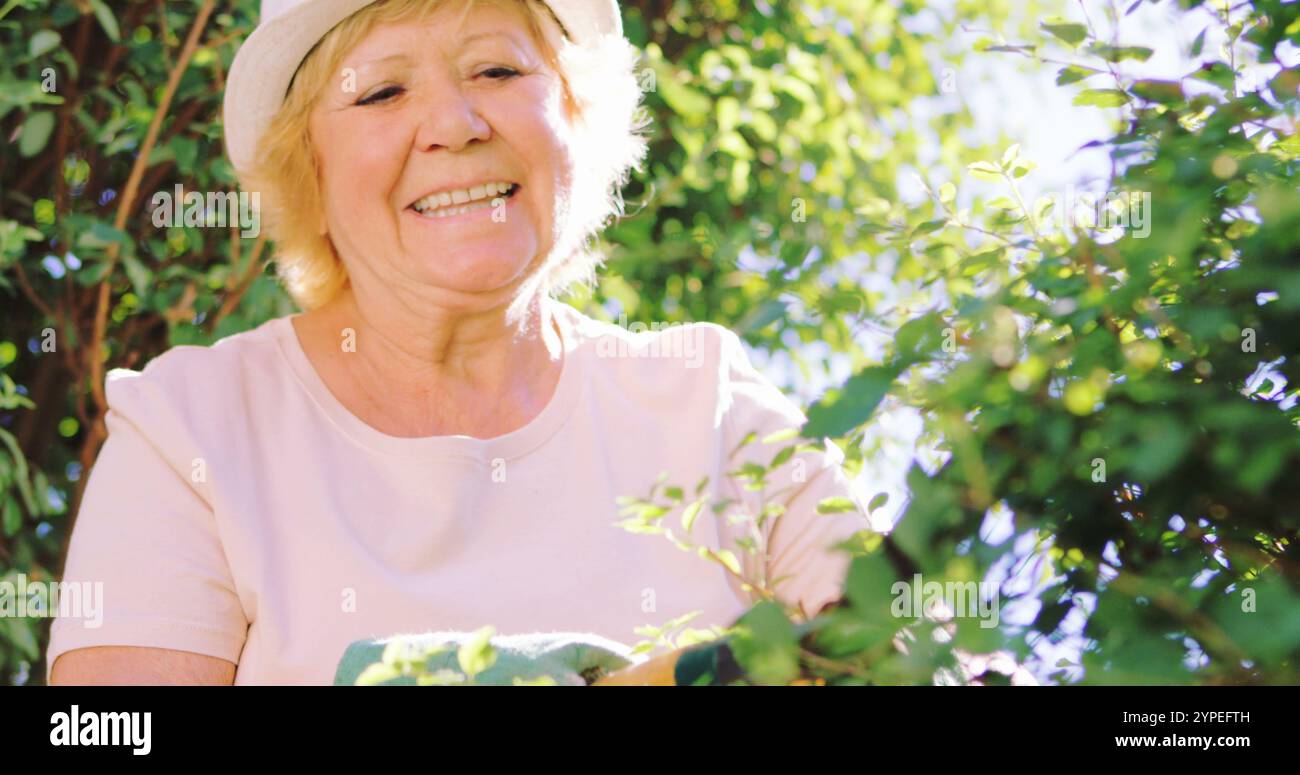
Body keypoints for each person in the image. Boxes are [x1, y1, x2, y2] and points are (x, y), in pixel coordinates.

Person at [47, 0, 868, 685]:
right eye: (380, 93)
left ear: (575, 118)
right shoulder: (192, 428)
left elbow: (907, 655)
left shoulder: (708, 400)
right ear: (310, 170)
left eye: (498, 71)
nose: (454, 123)